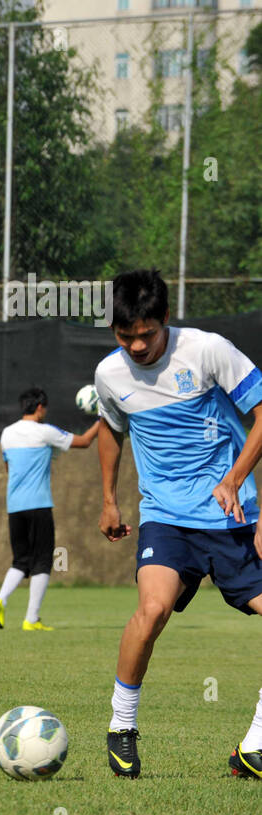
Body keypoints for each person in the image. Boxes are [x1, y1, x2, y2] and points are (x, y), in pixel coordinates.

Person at [95, 269, 262, 780]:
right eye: (127, 337)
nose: (139, 345)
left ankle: (255, 745)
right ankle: (121, 727)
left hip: (234, 515)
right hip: (166, 518)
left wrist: (236, 481)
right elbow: (110, 428)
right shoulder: (109, 375)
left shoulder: (208, 351)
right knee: (152, 610)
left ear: (165, 317)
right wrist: (108, 500)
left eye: (147, 333)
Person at [0, 386, 100, 631]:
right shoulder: (45, 432)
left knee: (20, 560)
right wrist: (104, 420)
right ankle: (31, 619)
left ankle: (0, 599)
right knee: (42, 562)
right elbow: (83, 442)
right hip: (38, 505)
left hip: (14, 506)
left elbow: (9, 470)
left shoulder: (6, 434)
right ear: (40, 407)